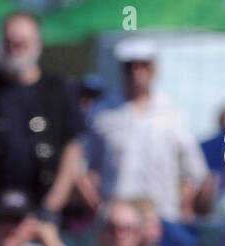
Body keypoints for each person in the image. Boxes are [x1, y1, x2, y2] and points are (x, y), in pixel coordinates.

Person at [0, 12, 85, 218]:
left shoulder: (58, 90)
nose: (14, 49)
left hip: (43, 205)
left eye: (22, 43)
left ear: (37, 44)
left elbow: (73, 148)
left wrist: (53, 203)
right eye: (9, 43)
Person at [86, 37, 209, 223]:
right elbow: (84, 166)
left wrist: (183, 204)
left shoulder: (173, 115)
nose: (137, 73)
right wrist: (97, 205)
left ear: (154, 69)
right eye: (131, 66)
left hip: (162, 220)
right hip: (117, 223)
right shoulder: (102, 114)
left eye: (143, 66)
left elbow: (193, 173)